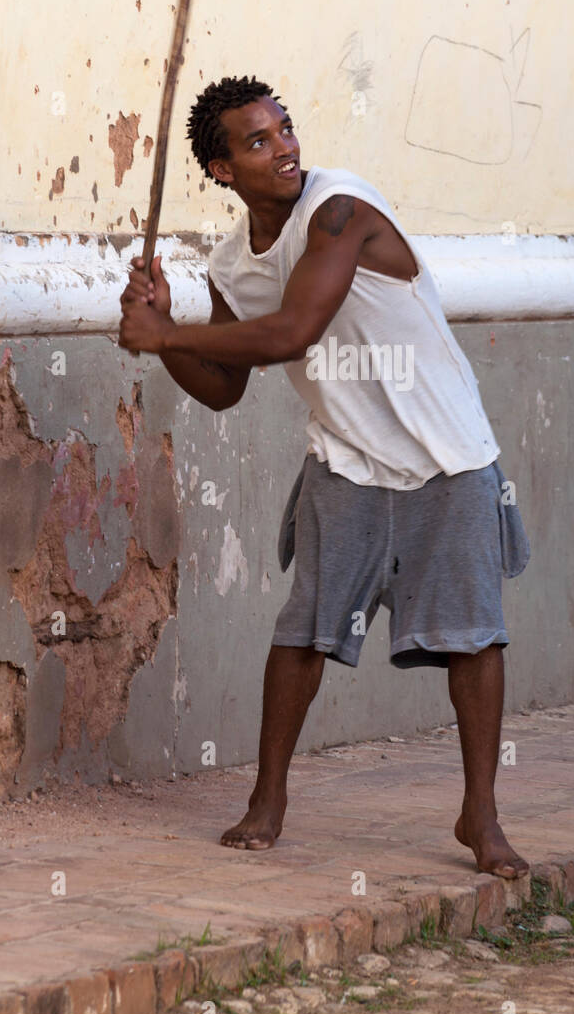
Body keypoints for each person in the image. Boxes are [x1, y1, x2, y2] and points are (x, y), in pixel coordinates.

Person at [119, 74, 531, 877]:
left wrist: (166, 337)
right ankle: (267, 801)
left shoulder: (340, 209)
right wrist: (170, 336)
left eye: (285, 130)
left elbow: (294, 334)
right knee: (303, 631)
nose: (286, 149)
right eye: (258, 141)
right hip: (345, 457)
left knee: (473, 637)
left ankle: (480, 816)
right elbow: (225, 388)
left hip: (447, 455)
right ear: (221, 169)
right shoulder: (233, 262)